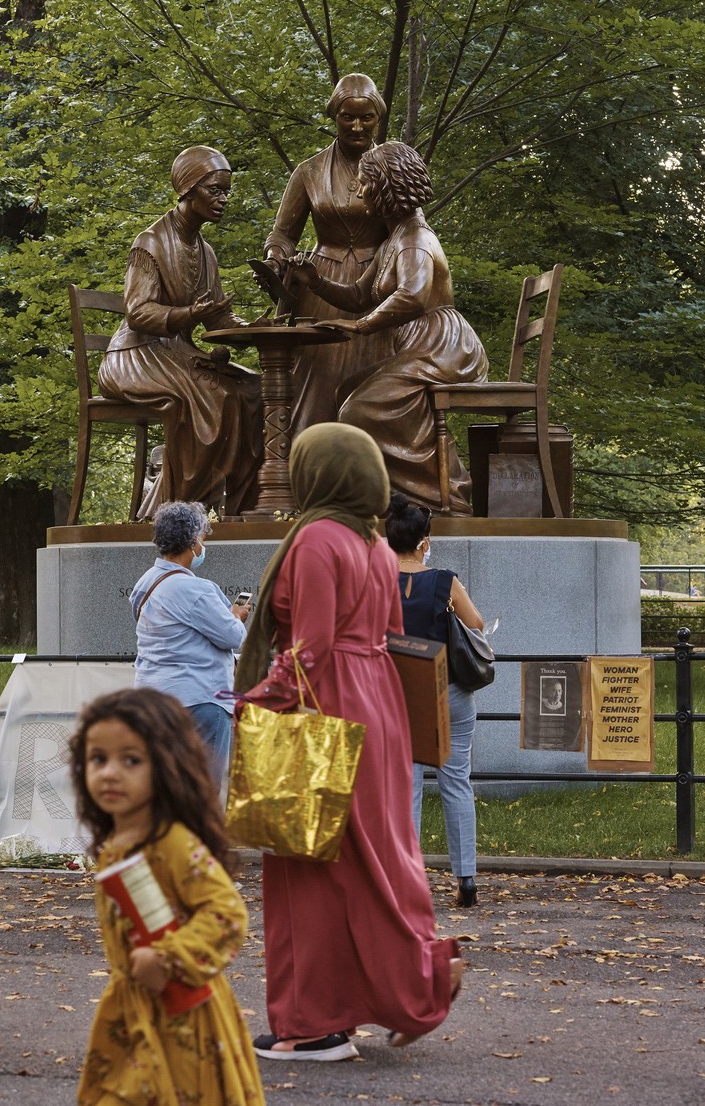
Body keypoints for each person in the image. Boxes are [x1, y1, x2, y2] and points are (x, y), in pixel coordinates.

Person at [235, 422, 462, 1059]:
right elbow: (387, 634)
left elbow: (308, 648)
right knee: (380, 858)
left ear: (318, 474)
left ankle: (313, 1023)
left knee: (304, 869)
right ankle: (414, 980)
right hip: (378, 703)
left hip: (325, 706)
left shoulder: (313, 539)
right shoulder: (372, 543)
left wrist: (254, 700)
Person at [69, 687, 265, 1106]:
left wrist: (168, 956)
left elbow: (226, 913)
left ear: (166, 767)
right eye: (98, 758)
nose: (109, 773)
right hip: (132, 1008)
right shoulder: (115, 845)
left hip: (183, 1012)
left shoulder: (173, 843)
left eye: (132, 760)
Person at [288, 140, 489, 514]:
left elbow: (412, 296)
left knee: (358, 411)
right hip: (421, 346)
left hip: (441, 347)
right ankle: (401, 493)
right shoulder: (393, 239)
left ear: (385, 186)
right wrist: (315, 282)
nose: (360, 189)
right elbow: (358, 295)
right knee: (347, 390)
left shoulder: (415, 239)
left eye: (365, 181)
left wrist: (362, 328)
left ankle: (438, 498)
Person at [98, 145, 263, 518]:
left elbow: (219, 321)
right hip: (136, 355)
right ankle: (180, 511)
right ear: (188, 189)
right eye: (215, 190)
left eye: (227, 191)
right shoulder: (151, 242)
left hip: (177, 353)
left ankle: (241, 507)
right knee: (214, 395)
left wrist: (256, 329)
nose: (223, 200)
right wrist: (188, 314)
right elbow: (138, 312)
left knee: (254, 389)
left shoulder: (206, 252)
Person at [259, 73, 394, 434]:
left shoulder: (392, 167)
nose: (356, 126)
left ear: (377, 119)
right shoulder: (309, 171)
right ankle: (306, 466)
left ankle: (374, 475)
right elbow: (283, 233)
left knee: (375, 380)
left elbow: (413, 226)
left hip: (375, 285)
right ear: (335, 117)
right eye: (347, 117)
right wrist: (275, 257)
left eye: (366, 118)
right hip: (319, 285)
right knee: (313, 381)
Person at [385, 493, 484, 908]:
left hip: (398, 693)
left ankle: (408, 879)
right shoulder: (445, 580)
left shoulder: (377, 581)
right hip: (448, 690)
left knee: (405, 785)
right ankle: (466, 880)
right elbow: (475, 623)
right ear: (424, 541)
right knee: (455, 782)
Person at [129, 501, 249, 787]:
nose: (203, 546)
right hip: (199, 698)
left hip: (152, 698)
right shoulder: (197, 589)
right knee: (201, 792)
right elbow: (233, 636)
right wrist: (236, 615)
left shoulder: (145, 582)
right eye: (203, 539)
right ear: (194, 541)